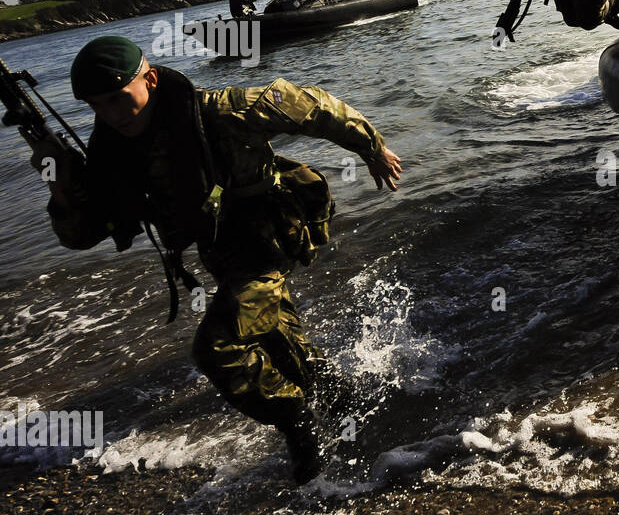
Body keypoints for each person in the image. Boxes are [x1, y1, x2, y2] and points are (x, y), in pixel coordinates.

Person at [30, 36, 403, 483]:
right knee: (278, 342)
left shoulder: (221, 111)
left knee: (219, 348)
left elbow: (313, 106)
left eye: (118, 98)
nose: (111, 115)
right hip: (222, 251)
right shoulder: (115, 153)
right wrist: (60, 181)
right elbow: (85, 235)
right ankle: (349, 402)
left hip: (269, 236)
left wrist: (372, 148)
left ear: (149, 78)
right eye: (97, 106)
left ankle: (299, 422)